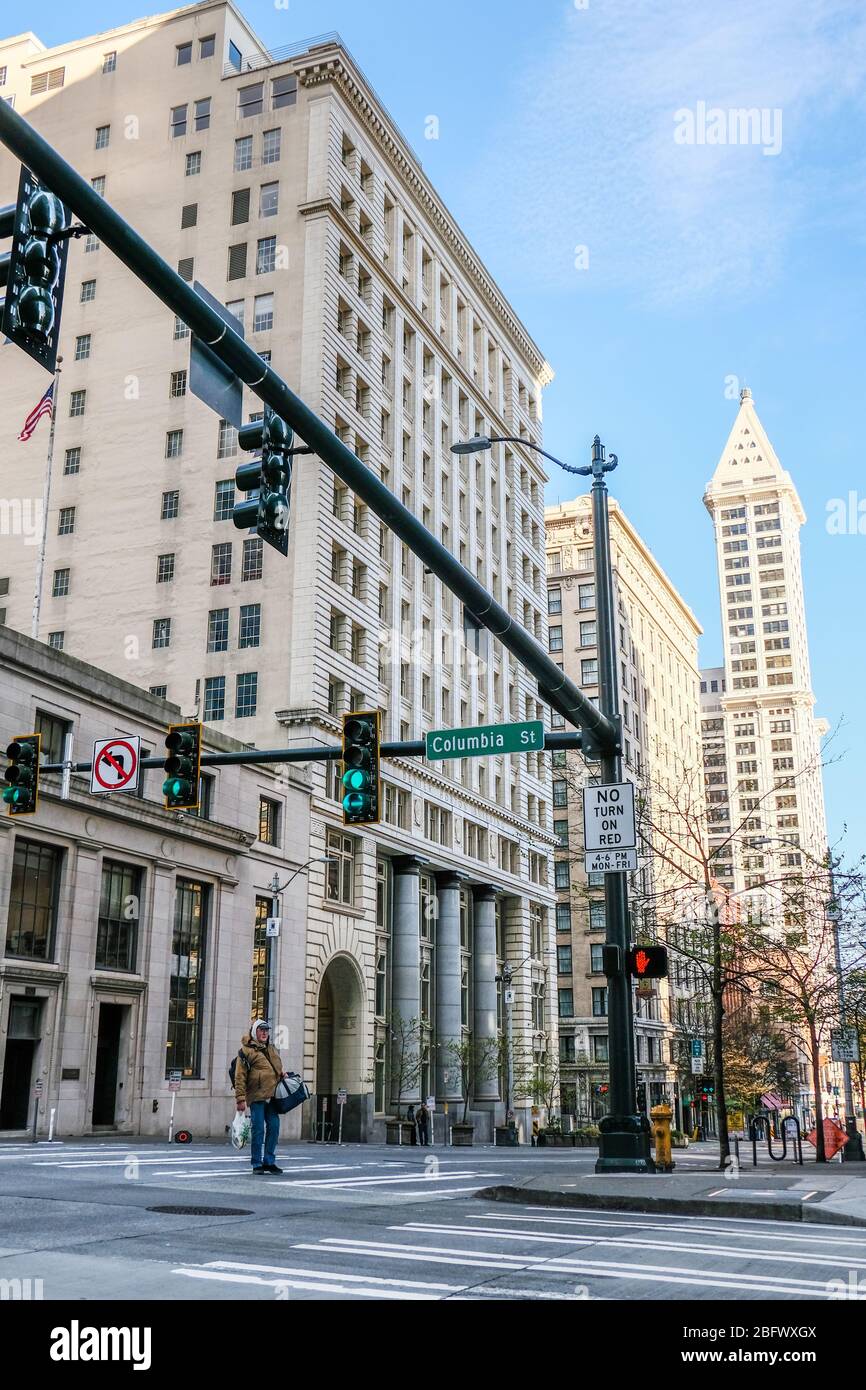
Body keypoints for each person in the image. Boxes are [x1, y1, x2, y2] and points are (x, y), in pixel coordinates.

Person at [234, 1018, 288, 1174]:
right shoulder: (246, 1051)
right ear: (254, 1032)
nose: (264, 1033)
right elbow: (240, 1076)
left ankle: (269, 1161)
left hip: (272, 1096)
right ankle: (256, 1163)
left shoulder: (271, 1049)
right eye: (261, 1030)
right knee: (258, 1130)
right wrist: (240, 1099)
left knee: (274, 1127)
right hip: (257, 1096)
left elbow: (276, 1068)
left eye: (266, 1030)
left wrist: (281, 1074)